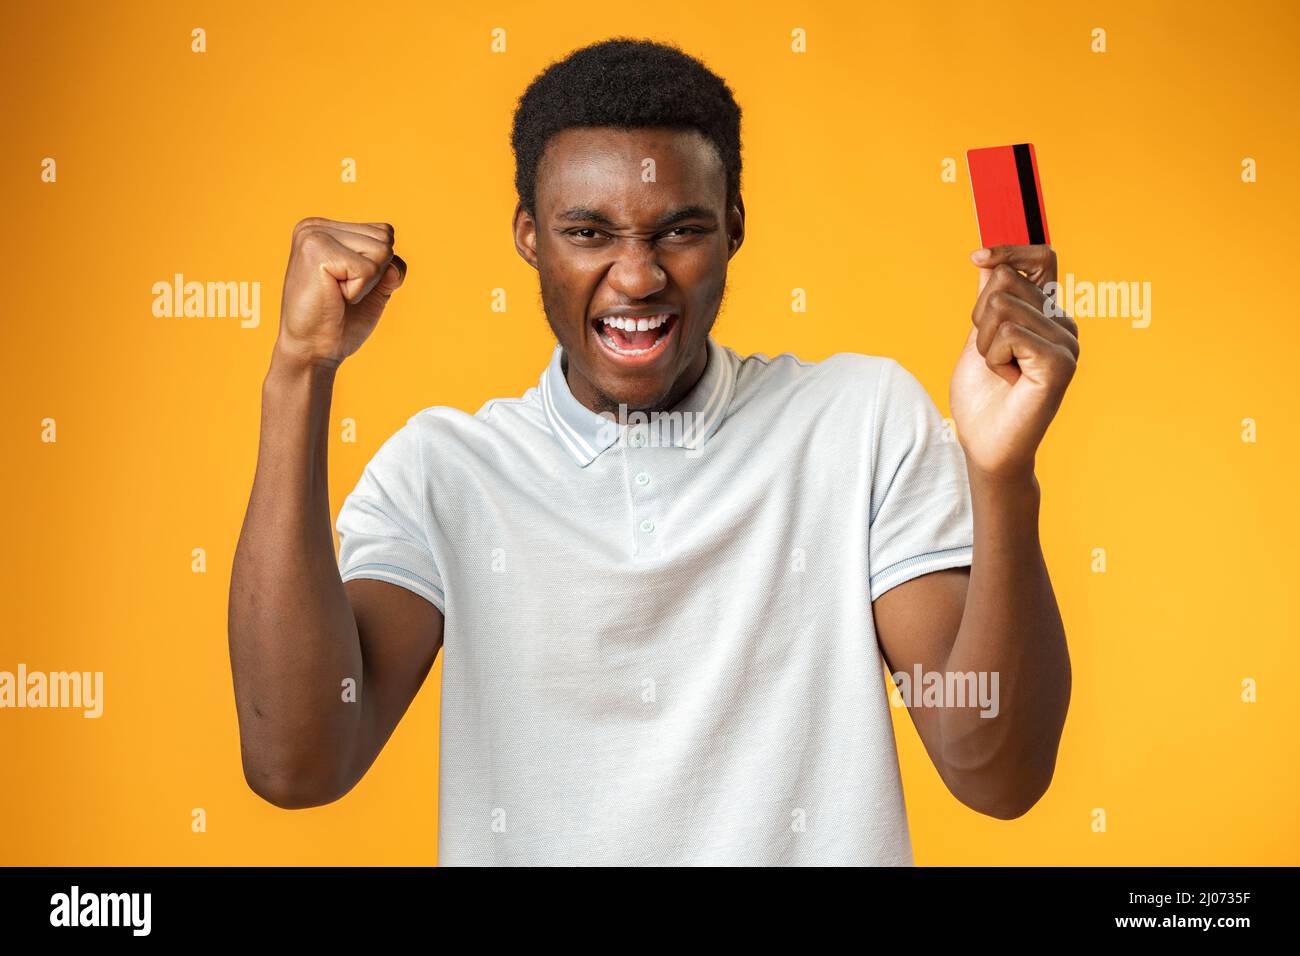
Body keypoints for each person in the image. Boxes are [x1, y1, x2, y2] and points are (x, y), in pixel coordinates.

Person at [228, 37, 1076, 865]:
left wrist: (1003, 476)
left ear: (734, 229)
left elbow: (996, 773)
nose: (636, 278)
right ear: (529, 236)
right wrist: (298, 374)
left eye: (678, 231)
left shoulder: (858, 422)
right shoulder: (443, 472)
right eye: (588, 234)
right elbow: (297, 764)